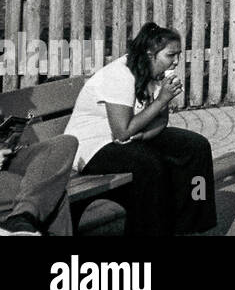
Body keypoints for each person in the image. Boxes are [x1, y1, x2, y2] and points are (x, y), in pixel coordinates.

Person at [63, 23, 217, 236]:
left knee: (196, 147)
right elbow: (122, 132)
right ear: (150, 53)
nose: (177, 61)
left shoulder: (157, 73)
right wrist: (162, 99)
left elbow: (161, 121)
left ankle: (191, 225)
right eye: (171, 55)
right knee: (149, 164)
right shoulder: (120, 75)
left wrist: (144, 134)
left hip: (126, 137)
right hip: (91, 146)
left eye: (179, 54)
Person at [0, 135, 78, 236]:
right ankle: (24, 216)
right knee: (49, 189)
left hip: (8, 157)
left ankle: (23, 216)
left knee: (65, 142)